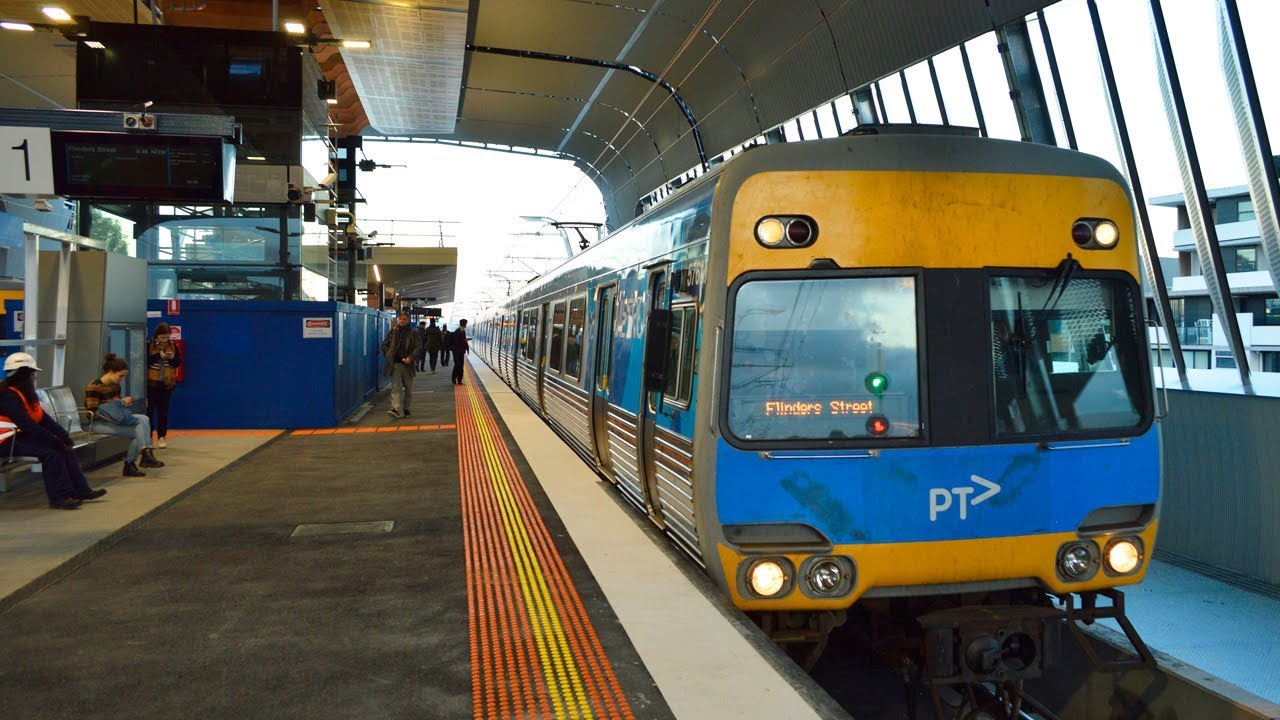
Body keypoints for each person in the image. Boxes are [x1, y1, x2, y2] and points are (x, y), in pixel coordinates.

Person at [0, 353, 105, 510]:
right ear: (24, 374)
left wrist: (63, 436)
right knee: (51, 454)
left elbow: (43, 418)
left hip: (17, 437)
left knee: (64, 448)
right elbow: (27, 424)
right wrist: (54, 440)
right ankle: (59, 498)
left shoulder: (23, 393)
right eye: (32, 374)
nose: (34, 378)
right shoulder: (8, 395)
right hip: (6, 441)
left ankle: (81, 491)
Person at [85, 354, 165, 477]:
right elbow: (91, 413)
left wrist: (122, 403)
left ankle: (143, 455)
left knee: (144, 419)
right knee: (139, 431)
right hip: (98, 424)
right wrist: (114, 409)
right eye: (120, 376)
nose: (121, 379)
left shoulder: (115, 386)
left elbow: (116, 406)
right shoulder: (94, 387)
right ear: (111, 372)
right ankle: (134, 461)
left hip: (115, 420)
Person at [146, 323, 182, 449]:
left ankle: (161, 437)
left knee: (163, 412)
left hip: (166, 384)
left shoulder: (173, 346)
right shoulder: (149, 345)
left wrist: (171, 358)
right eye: (162, 337)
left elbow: (177, 363)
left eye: (167, 337)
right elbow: (145, 361)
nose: (165, 340)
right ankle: (148, 437)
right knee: (149, 412)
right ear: (157, 336)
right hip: (151, 384)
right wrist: (158, 356)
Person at [381, 312, 422, 419]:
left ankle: (406, 409)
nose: (401, 321)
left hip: (408, 364)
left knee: (408, 388)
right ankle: (395, 409)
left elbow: (418, 347)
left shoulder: (414, 332)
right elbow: (384, 345)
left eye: (404, 319)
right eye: (400, 319)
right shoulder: (392, 332)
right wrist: (389, 354)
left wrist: (411, 358)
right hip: (396, 364)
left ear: (408, 320)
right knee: (396, 387)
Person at [450, 319, 470, 385]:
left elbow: (464, 341)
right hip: (456, 352)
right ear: (464, 325)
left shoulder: (462, 331)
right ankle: (454, 378)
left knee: (460, 366)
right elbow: (457, 343)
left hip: (461, 352)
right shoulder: (457, 331)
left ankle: (459, 380)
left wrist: (467, 348)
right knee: (457, 365)